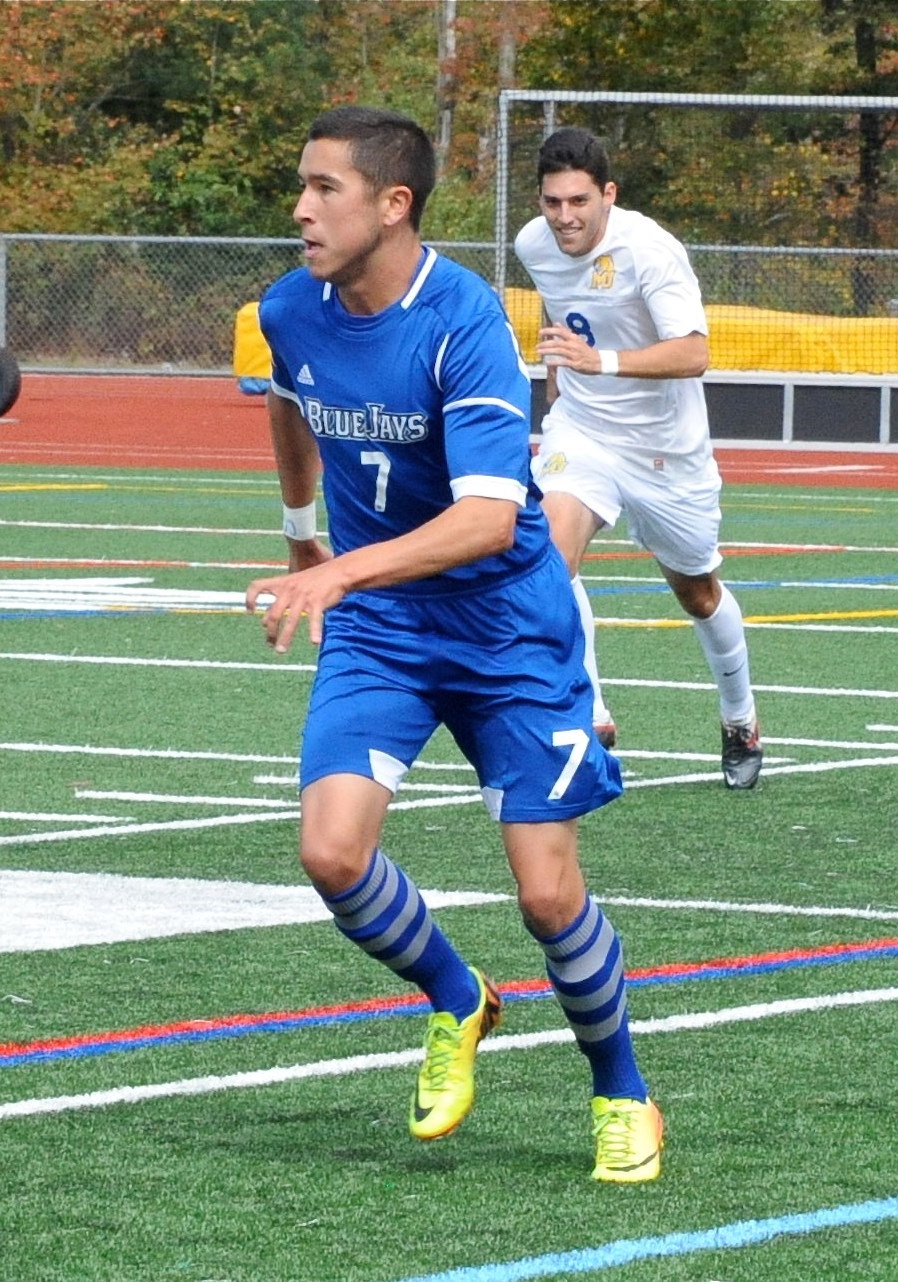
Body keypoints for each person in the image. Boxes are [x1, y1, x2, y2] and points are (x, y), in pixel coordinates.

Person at [245, 106, 661, 1183]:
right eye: (301, 184)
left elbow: (485, 516)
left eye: (325, 188)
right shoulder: (291, 308)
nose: (301, 208)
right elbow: (291, 408)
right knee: (330, 851)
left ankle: (621, 1088)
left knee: (546, 894)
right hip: (387, 622)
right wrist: (302, 530)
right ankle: (457, 996)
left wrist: (330, 569)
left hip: (506, 619)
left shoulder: (463, 318)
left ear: (394, 204)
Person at [514, 126, 762, 789]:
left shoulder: (651, 250)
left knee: (698, 591)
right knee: (545, 555)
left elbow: (694, 353)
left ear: (608, 195)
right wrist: (564, 383)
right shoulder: (533, 244)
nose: (564, 218)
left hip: (666, 453)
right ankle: (589, 711)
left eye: (578, 202)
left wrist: (603, 361)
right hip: (584, 432)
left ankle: (740, 716)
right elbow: (565, 320)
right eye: (552, 202)